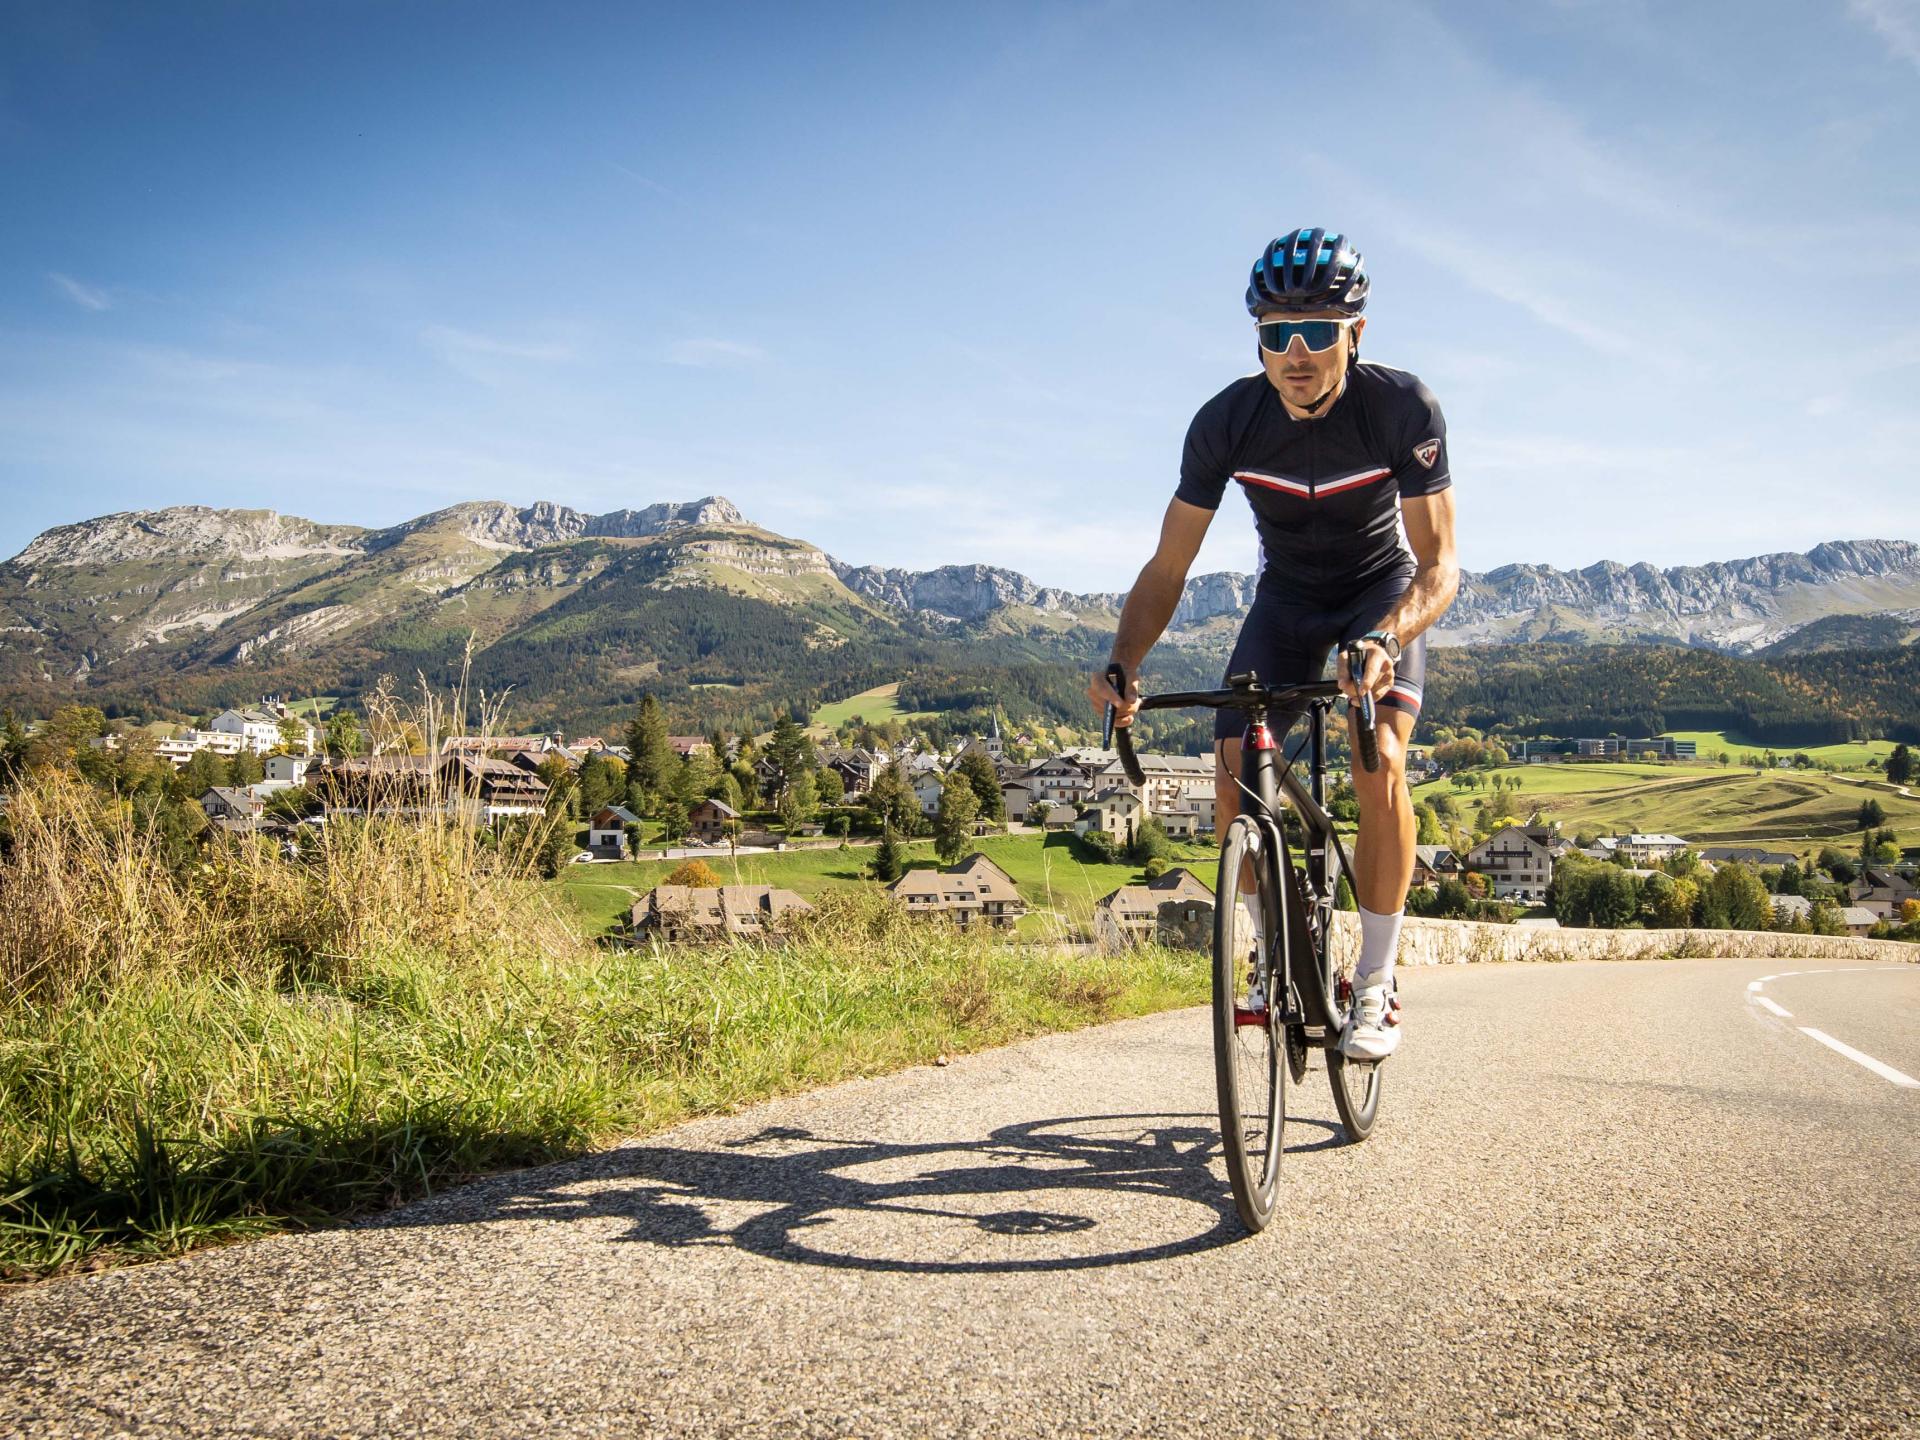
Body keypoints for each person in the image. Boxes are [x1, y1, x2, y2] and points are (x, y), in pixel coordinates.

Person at [1089, 227, 1459, 1060]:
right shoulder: (1226, 422)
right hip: (1287, 604)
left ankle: (1374, 981)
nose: (1296, 351)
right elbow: (1168, 566)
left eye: (1318, 330)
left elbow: (1438, 565)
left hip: (1377, 596)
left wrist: (1388, 634)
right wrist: (1126, 662)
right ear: (1256, 341)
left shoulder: (1403, 409)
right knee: (1230, 772)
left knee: (1380, 763)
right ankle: (1266, 953)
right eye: (1275, 334)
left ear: (1354, 335)